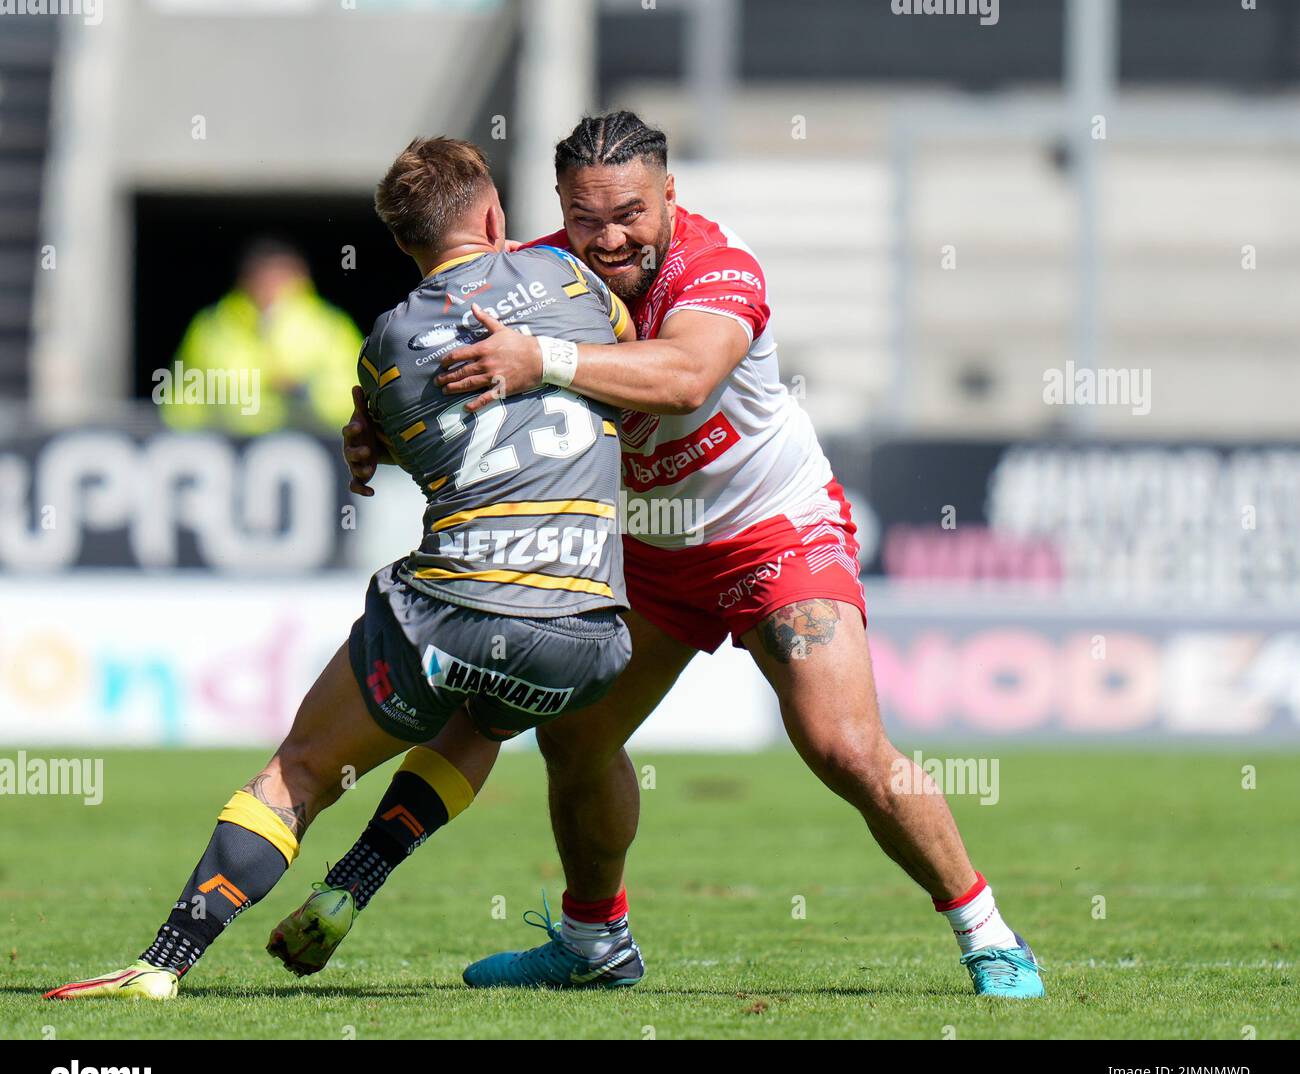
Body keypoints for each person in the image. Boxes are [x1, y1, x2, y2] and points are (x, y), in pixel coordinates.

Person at [337, 112, 1045, 999]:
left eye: (630, 212)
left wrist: (544, 359)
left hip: (769, 532)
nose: (609, 238)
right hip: (645, 555)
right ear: (557, 205)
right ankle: (596, 944)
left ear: (670, 194)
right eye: (586, 217)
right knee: (574, 738)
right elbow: (470, 396)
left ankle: (989, 936)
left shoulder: (717, 263)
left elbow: (684, 378)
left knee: (843, 745)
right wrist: (378, 434)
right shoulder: (544, 276)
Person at [44, 136, 637, 1001]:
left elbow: (421, 442)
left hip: (460, 613)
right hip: (590, 640)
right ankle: (352, 883)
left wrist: (376, 437)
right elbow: (614, 375)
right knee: (480, 719)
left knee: (303, 771)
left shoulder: (389, 343)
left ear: (404, 246)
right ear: (497, 217)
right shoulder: (584, 288)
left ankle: (161, 964)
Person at [161, 239, 361, 434]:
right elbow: (180, 403)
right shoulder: (210, 327)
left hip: (310, 449)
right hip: (229, 453)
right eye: (262, 278)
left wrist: (303, 392)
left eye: (281, 278)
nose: (270, 288)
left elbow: (356, 400)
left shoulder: (331, 327)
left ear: (302, 278)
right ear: (244, 280)